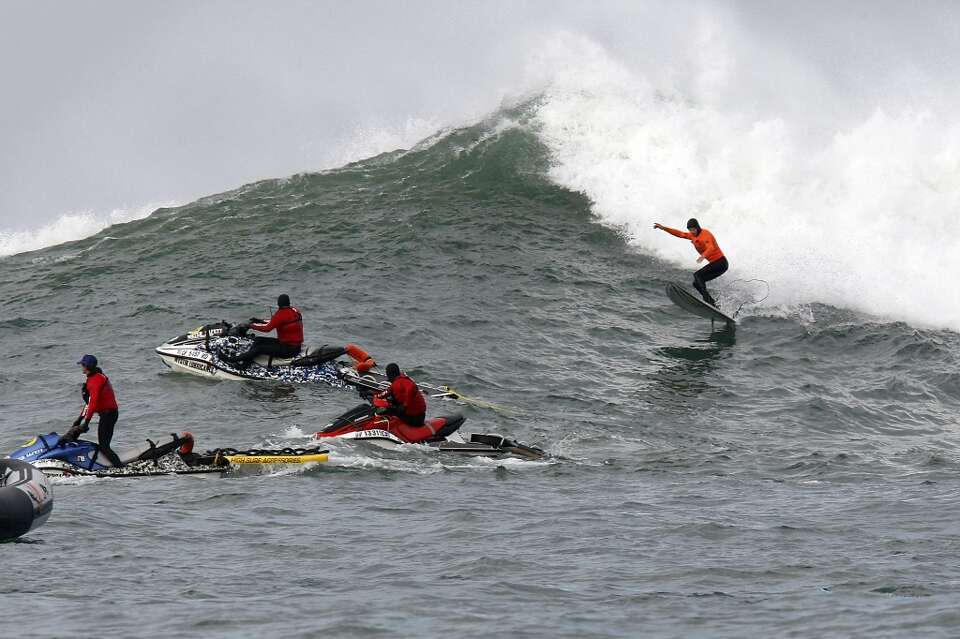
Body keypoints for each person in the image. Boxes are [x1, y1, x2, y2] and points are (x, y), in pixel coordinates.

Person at [62, 354, 123, 468]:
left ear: (87, 366)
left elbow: (93, 403)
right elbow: (89, 403)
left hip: (109, 414)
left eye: (82, 365)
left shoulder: (95, 381)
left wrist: (86, 422)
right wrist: (79, 420)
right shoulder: (94, 377)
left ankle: (121, 468)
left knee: (104, 446)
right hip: (108, 414)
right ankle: (110, 465)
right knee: (104, 445)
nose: (81, 367)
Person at [654, 218, 729, 306]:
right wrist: (664, 228)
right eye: (690, 230)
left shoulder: (706, 235)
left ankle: (706, 299)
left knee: (697, 275)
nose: (692, 232)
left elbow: (711, 247)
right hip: (716, 264)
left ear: (698, 227)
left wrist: (703, 256)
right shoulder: (692, 235)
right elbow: (680, 234)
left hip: (720, 263)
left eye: (693, 229)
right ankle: (712, 303)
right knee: (696, 283)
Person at [242, 294, 304, 361]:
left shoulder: (281, 313)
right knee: (258, 340)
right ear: (288, 302)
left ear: (278, 303)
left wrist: (251, 326)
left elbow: (267, 328)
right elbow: (277, 322)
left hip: (288, 350)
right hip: (295, 347)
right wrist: (260, 321)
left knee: (260, 348)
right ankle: (248, 359)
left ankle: (238, 360)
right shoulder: (295, 310)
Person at [373, 363, 427, 428]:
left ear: (389, 375)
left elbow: (411, 388)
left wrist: (405, 405)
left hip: (415, 418)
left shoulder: (399, 383)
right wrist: (375, 396)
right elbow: (386, 392)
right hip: (419, 416)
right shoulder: (400, 379)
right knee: (390, 404)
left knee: (385, 412)